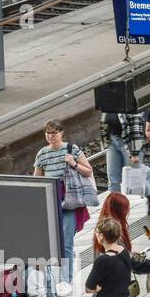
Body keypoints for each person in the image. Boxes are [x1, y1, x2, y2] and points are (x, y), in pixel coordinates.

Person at [32, 119, 94, 285]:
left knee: (66, 242)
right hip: (51, 200)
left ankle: (66, 279)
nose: (51, 136)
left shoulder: (72, 149)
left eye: (54, 132)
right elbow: (36, 180)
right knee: (48, 241)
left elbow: (88, 171)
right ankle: (48, 278)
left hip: (70, 200)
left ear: (61, 133)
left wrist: (73, 163)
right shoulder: (42, 153)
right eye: (48, 133)